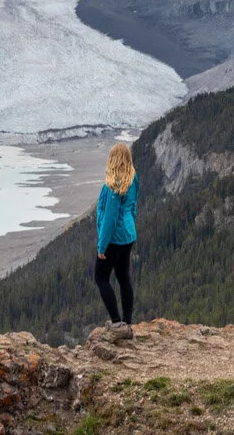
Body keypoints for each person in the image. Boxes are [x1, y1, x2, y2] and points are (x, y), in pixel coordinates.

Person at [95, 142, 139, 339]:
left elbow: (110, 219)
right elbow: (134, 207)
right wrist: (130, 226)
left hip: (114, 239)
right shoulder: (132, 178)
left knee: (101, 278)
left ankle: (116, 323)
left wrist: (102, 245)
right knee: (123, 278)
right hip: (128, 235)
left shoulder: (112, 185)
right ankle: (127, 322)